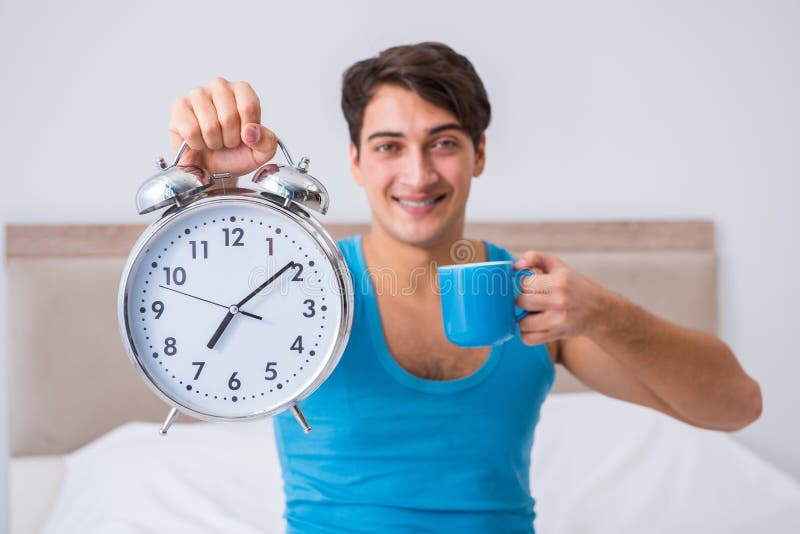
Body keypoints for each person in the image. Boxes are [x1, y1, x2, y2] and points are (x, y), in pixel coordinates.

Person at [167, 42, 762, 533]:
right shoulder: (303, 285)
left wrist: (602, 312)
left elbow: (737, 404)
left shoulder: (537, 302)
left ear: (479, 154)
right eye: (389, 146)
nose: (418, 174)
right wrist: (220, 182)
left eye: (444, 142)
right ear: (354, 161)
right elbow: (205, 290)